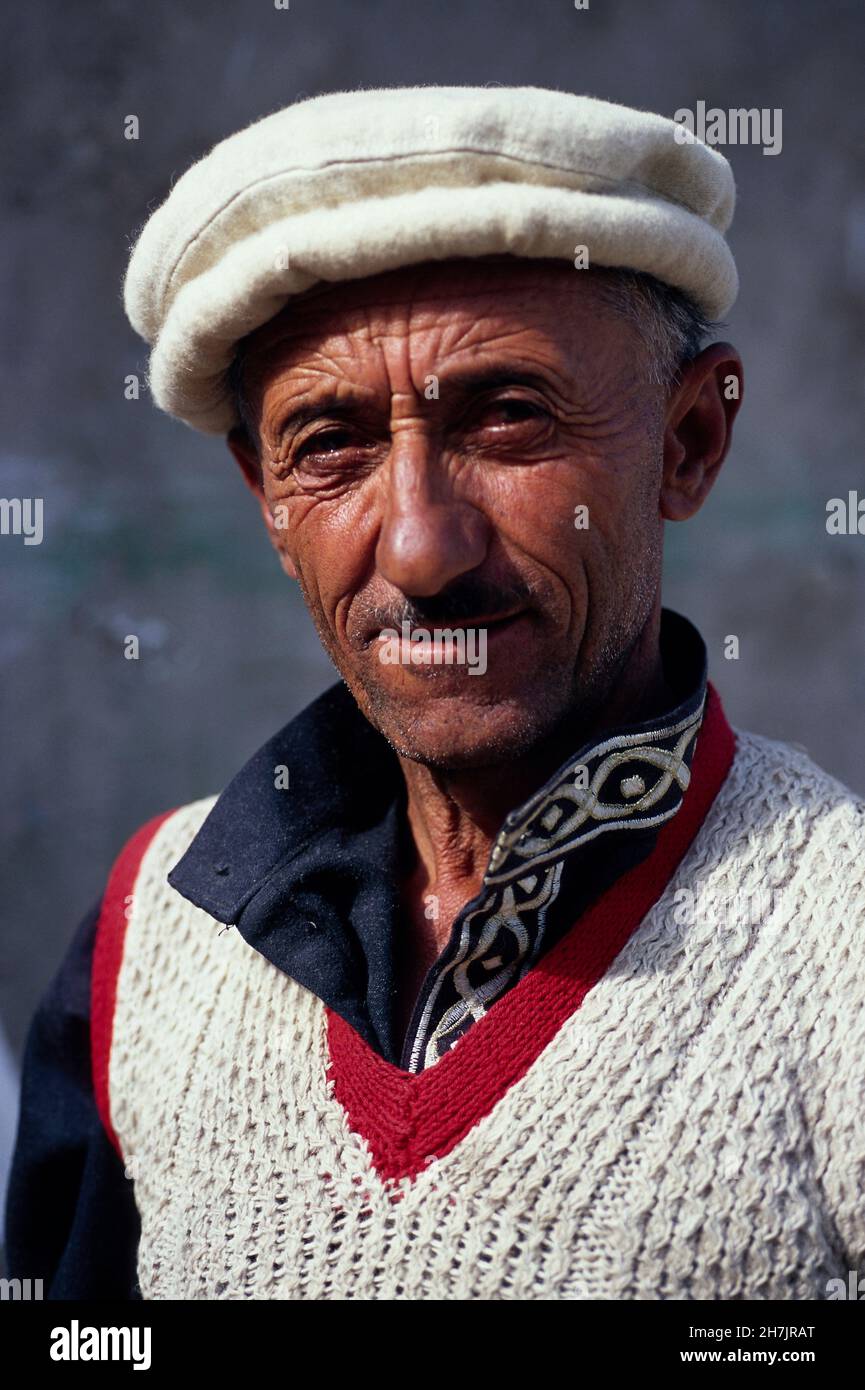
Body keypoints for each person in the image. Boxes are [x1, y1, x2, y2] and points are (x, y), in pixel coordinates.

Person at [6, 85, 864, 1301]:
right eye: (330, 444)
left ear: (687, 442)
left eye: (508, 417)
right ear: (265, 495)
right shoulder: (152, 938)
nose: (419, 547)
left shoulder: (841, 950)